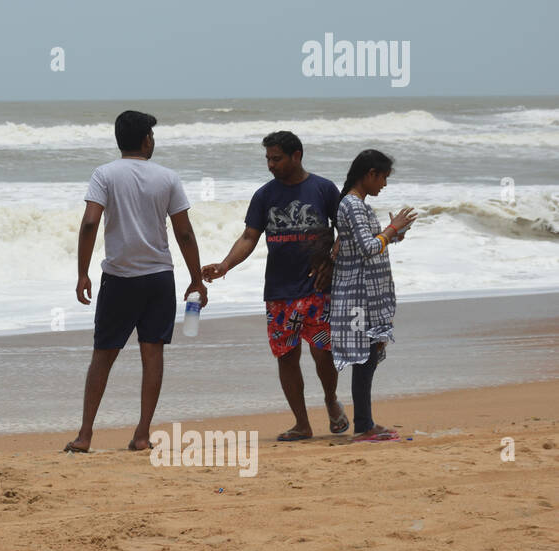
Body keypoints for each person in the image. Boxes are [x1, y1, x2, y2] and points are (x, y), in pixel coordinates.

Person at [64, 110, 205, 454]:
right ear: (146, 140)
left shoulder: (104, 175)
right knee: (152, 353)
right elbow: (183, 232)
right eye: (152, 137)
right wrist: (196, 279)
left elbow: (89, 224)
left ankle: (85, 435)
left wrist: (82, 272)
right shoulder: (167, 178)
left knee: (103, 355)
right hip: (158, 278)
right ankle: (141, 434)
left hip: (119, 278)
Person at [202, 131, 347, 441]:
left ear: (297, 156)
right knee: (286, 356)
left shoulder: (323, 189)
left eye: (276, 158)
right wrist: (225, 265)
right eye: (267, 158)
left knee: (323, 353)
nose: (270, 164)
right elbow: (249, 238)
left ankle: (331, 400)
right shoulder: (264, 195)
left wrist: (332, 264)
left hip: (318, 288)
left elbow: (345, 233)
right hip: (279, 292)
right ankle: (302, 423)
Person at [332, 149, 416, 442]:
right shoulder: (353, 206)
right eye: (382, 178)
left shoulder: (358, 205)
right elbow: (369, 248)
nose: (384, 185)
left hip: (365, 292)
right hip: (359, 294)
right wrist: (391, 229)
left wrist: (395, 233)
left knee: (368, 357)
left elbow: (367, 245)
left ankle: (364, 423)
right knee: (365, 359)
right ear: (370, 174)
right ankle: (363, 426)